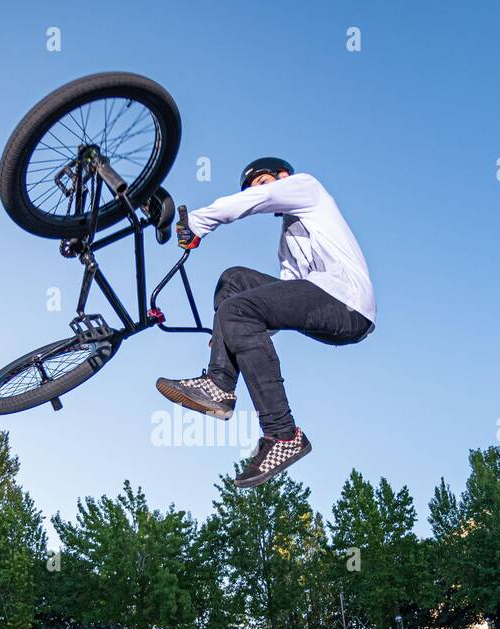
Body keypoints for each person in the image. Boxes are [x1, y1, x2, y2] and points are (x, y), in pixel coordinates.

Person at [156, 157, 375, 488]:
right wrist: (228, 336)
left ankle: (282, 433)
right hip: (323, 304)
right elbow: (280, 303)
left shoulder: (306, 186)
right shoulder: (289, 243)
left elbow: (258, 200)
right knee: (234, 281)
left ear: (281, 176)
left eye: (261, 182)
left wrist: (199, 221)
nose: (259, 191)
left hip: (347, 303)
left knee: (236, 310)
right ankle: (220, 383)